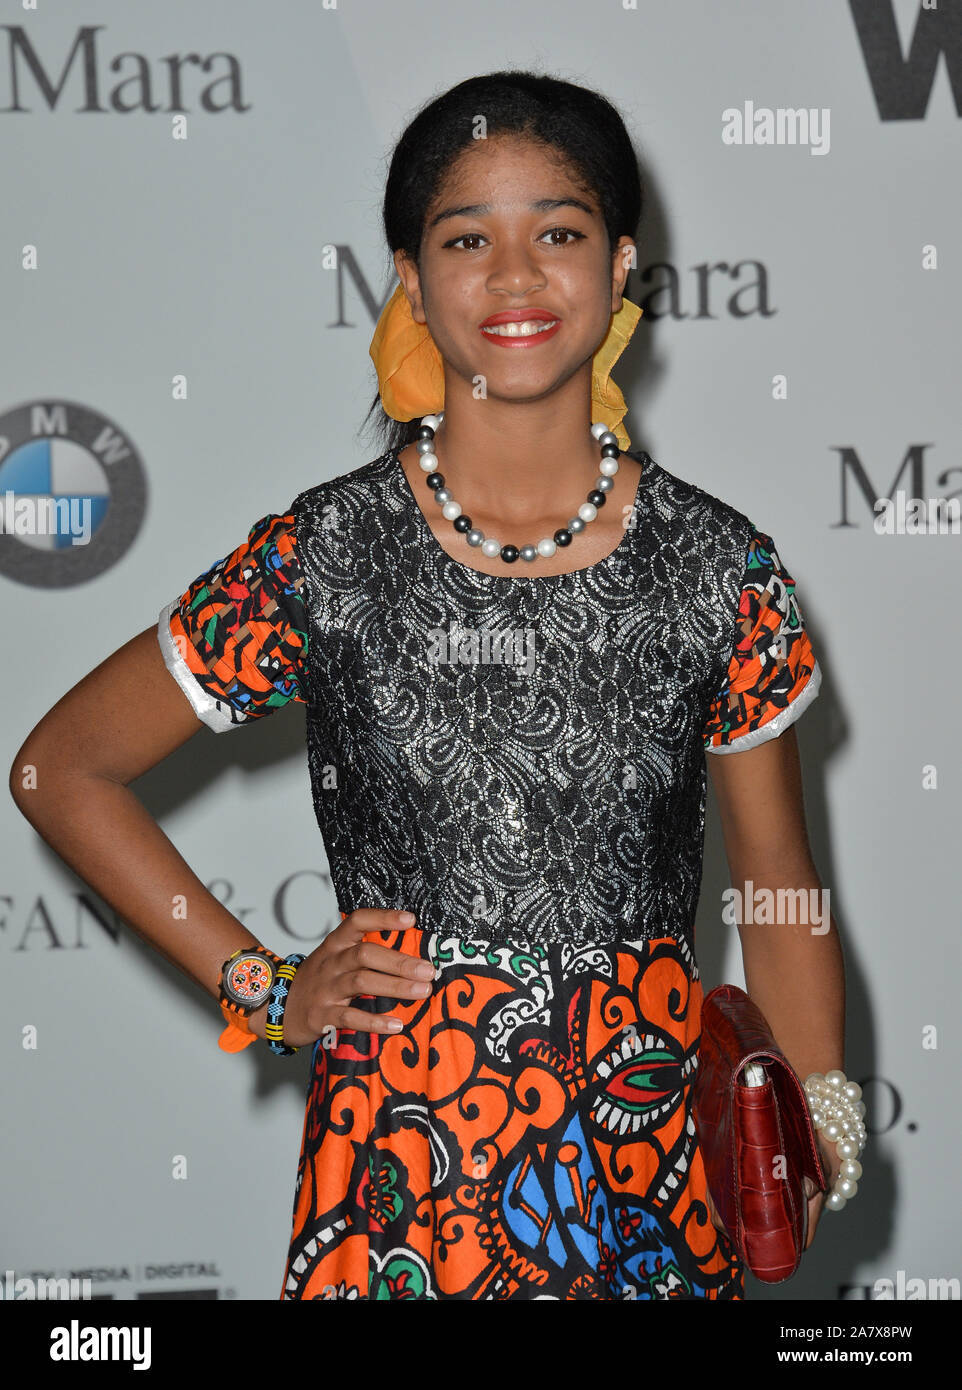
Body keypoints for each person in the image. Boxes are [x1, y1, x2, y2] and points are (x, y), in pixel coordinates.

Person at [9, 70, 849, 1301]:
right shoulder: (326, 556)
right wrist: (265, 989)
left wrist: (810, 1123)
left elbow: (775, 881)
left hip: (649, 1165)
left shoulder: (718, 570)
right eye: (466, 241)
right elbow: (59, 770)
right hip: (403, 1170)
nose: (514, 278)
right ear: (409, 279)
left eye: (556, 233)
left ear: (620, 264)